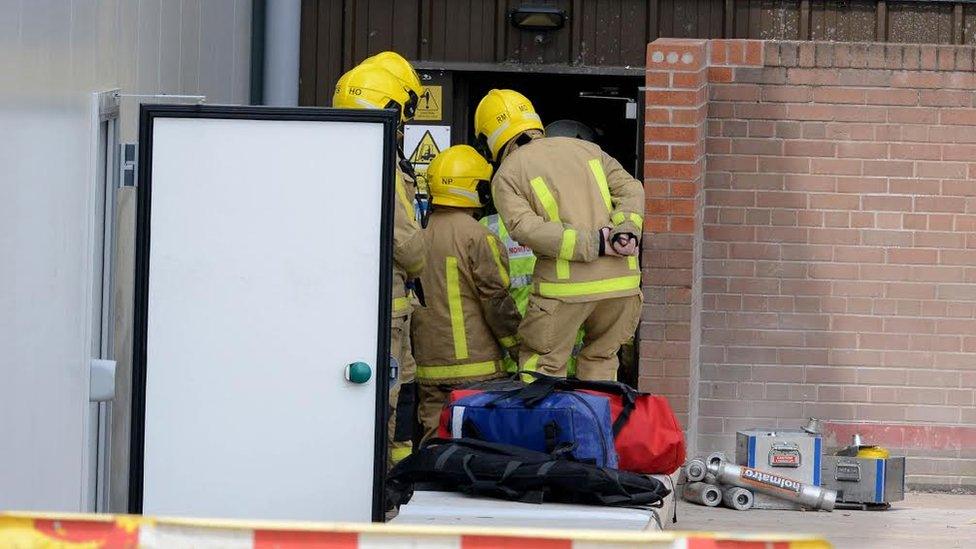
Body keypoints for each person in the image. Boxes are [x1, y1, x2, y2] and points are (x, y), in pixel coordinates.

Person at [474, 89, 644, 382]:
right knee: (601, 362)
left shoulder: (507, 173)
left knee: (542, 369)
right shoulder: (589, 151)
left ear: (488, 138)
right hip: (622, 286)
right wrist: (625, 230)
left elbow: (525, 229)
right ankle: (594, 428)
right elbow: (632, 189)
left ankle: (543, 428)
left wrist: (593, 243)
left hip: (564, 289)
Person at [333, 56, 426, 465]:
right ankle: (382, 481)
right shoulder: (381, 162)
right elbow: (407, 242)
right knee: (386, 395)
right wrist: (420, 261)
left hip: (362, 299)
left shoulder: (334, 154)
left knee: (394, 389)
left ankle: (391, 476)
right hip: (387, 304)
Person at [411, 145, 521, 441]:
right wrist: (518, 346)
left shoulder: (417, 233)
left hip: (428, 365)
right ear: (473, 188)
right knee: (475, 444)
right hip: (477, 366)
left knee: (435, 437)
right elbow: (496, 300)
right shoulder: (479, 236)